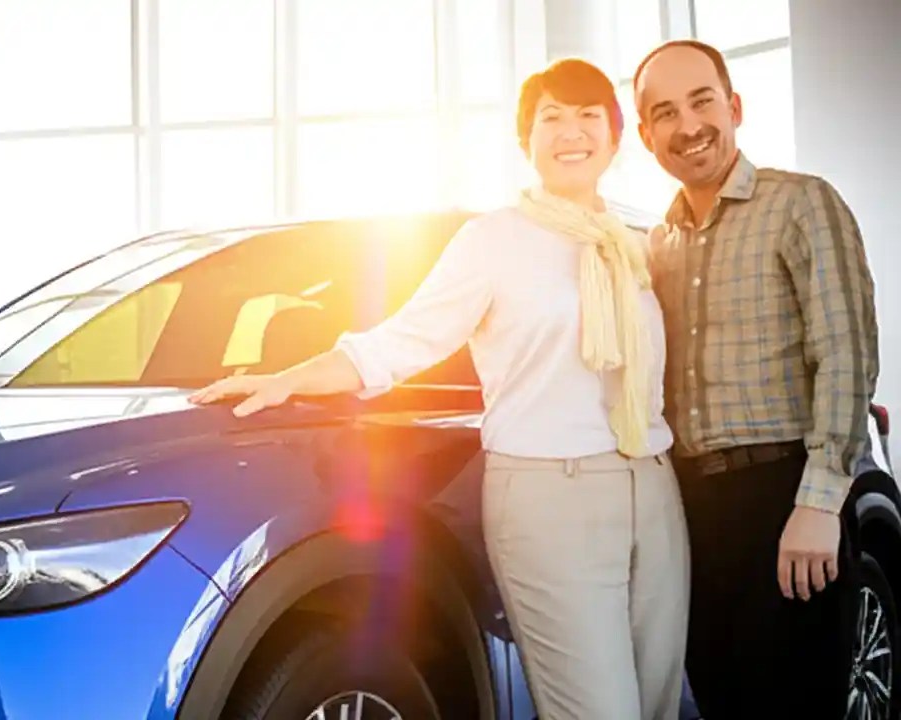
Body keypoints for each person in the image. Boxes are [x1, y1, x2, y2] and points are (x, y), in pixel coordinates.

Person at [191, 58, 690, 719]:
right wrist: (288, 378)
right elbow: (401, 342)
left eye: (589, 117)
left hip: (652, 488)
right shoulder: (492, 241)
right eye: (552, 119)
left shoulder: (638, 247)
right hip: (549, 495)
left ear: (615, 134)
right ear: (526, 141)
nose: (571, 133)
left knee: (657, 706)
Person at [633, 39, 879, 718]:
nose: (687, 126)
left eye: (702, 101)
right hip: (689, 513)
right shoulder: (658, 243)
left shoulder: (801, 203)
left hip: (784, 497)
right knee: (722, 698)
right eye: (664, 113)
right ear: (647, 135)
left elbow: (847, 352)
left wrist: (819, 502)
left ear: (734, 106)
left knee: (796, 702)